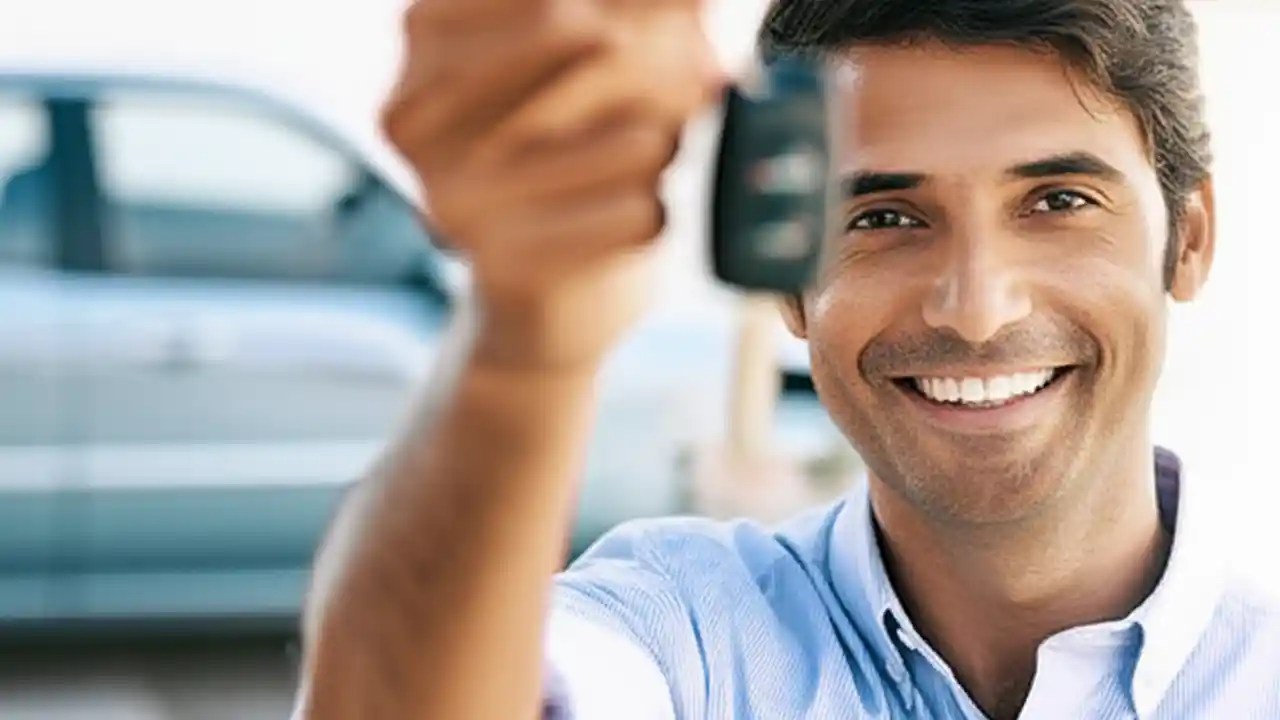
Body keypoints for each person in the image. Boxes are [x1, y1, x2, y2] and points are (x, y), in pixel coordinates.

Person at [293, 0, 1280, 718]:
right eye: (885, 217)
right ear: (786, 290)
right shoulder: (679, 635)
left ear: (1187, 241)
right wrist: (524, 335)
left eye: (1058, 202)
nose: (976, 309)